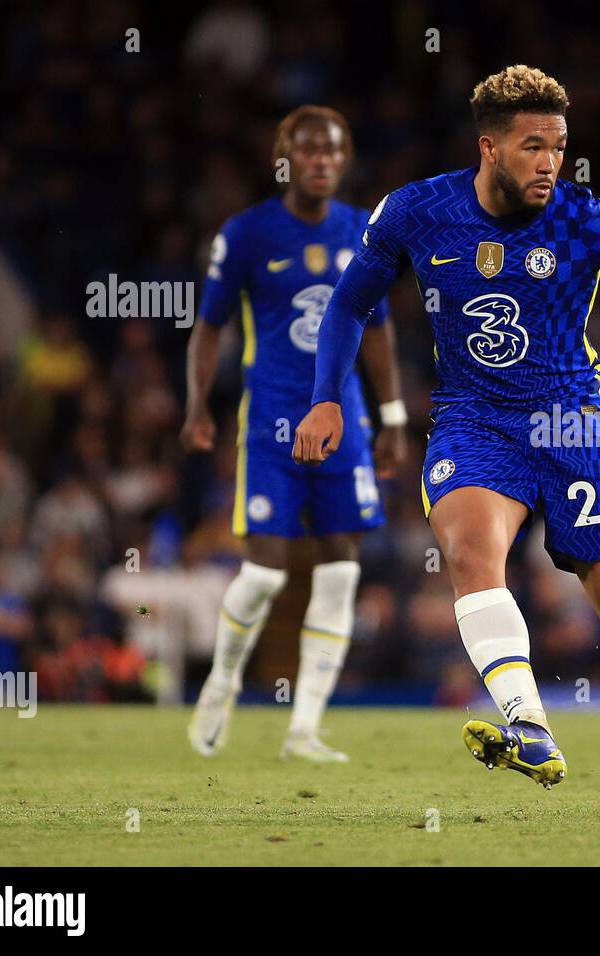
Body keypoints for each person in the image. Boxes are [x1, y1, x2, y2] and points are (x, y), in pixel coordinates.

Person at [294, 66, 600, 817]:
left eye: (560, 146)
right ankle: (530, 725)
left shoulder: (586, 217)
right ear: (489, 148)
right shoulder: (416, 211)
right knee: (474, 554)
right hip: (474, 422)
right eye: (533, 146)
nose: (550, 162)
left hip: (573, 424)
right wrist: (326, 402)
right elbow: (347, 307)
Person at [182, 105, 405, 762]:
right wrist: (198, 405)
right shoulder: (247, 234)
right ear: (285, 158)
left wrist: (392, 417)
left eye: (333, 151)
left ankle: (304, 728)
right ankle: (222, 680)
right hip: (273, 421)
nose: (321, 162)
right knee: (265, 572)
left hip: (346, 422)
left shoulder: (364, 231)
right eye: (309, 151)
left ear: (345, 158)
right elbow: (210, 325)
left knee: (341, 568)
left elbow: (382, 328)